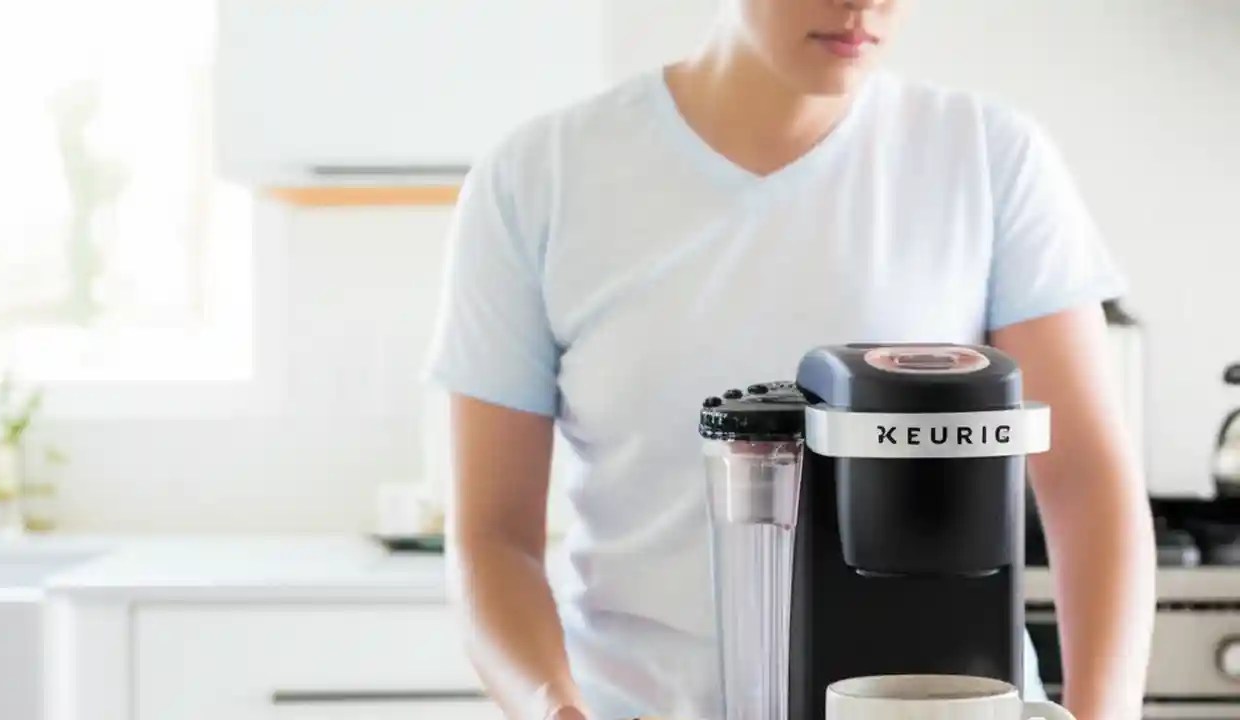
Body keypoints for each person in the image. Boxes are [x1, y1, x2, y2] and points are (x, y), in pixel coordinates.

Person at [426, 1, 1156, 719]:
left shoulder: (988, 156)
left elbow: (1088, 484)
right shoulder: (537, 178)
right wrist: (555, 710)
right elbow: (493, 537)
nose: (865, 5)